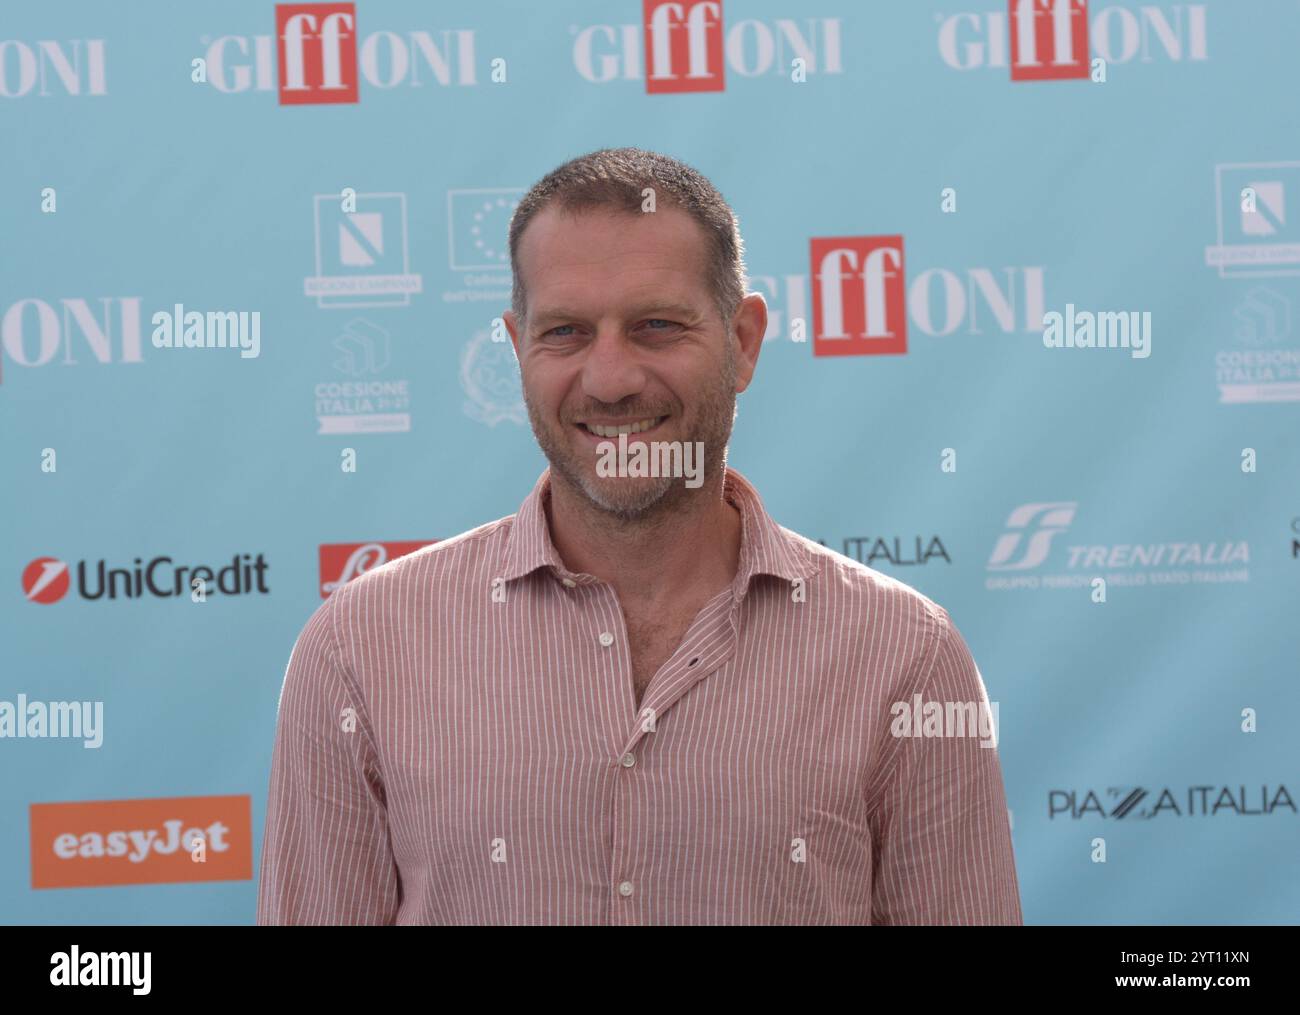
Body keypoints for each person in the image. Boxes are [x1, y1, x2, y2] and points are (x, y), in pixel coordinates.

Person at [256, 147, 1022, 925]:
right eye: (566, 332)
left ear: (744, 341)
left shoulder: (903, 653)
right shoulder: (359, 650)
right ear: (518, 347)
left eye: (656, 326)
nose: (611, 377)